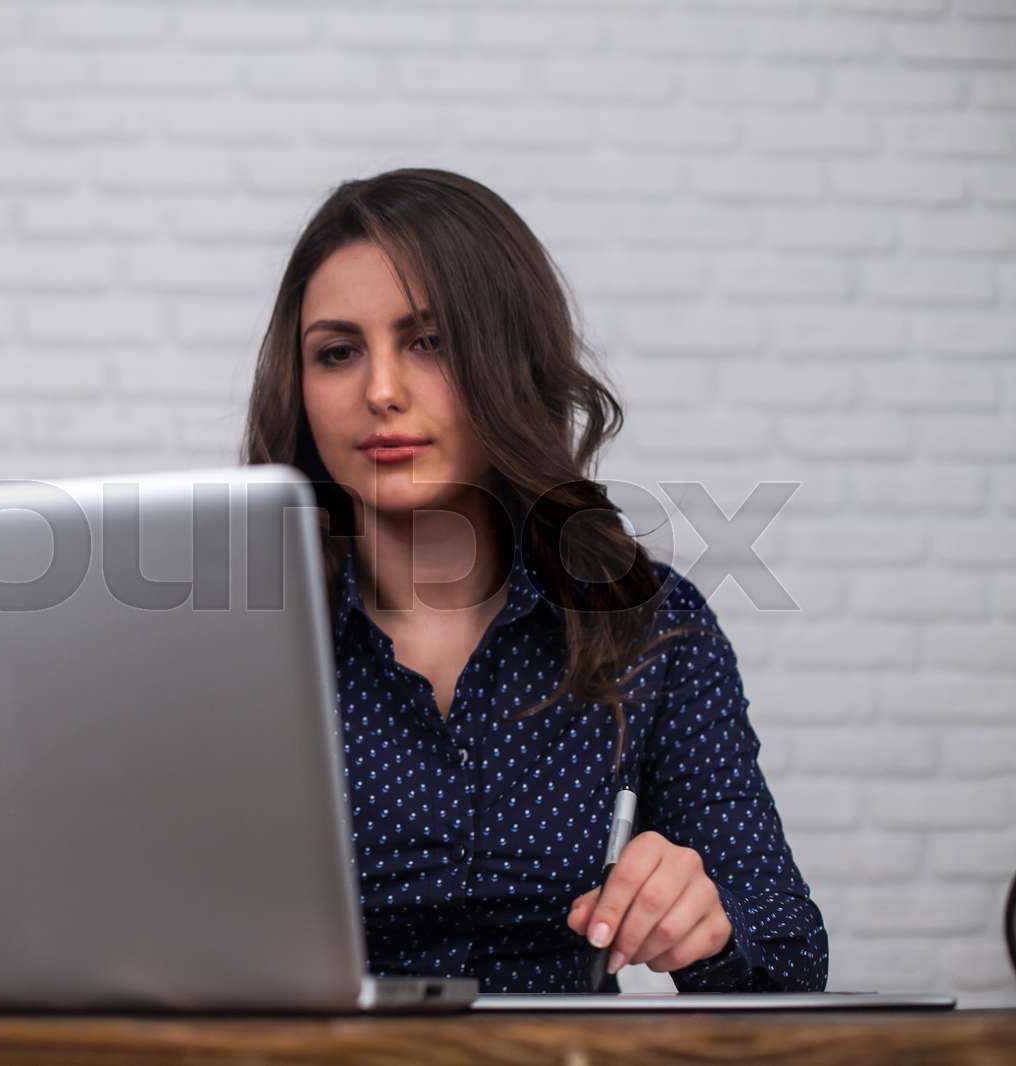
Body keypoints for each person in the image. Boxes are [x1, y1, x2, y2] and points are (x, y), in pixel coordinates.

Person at [239, 168, 828, 993]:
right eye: (338, 353)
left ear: (509, 361)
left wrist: (709, 921)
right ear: (300, 391)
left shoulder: (645, 628)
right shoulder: (236, 643)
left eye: (428, 342)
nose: (380, 391)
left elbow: (792, 957)